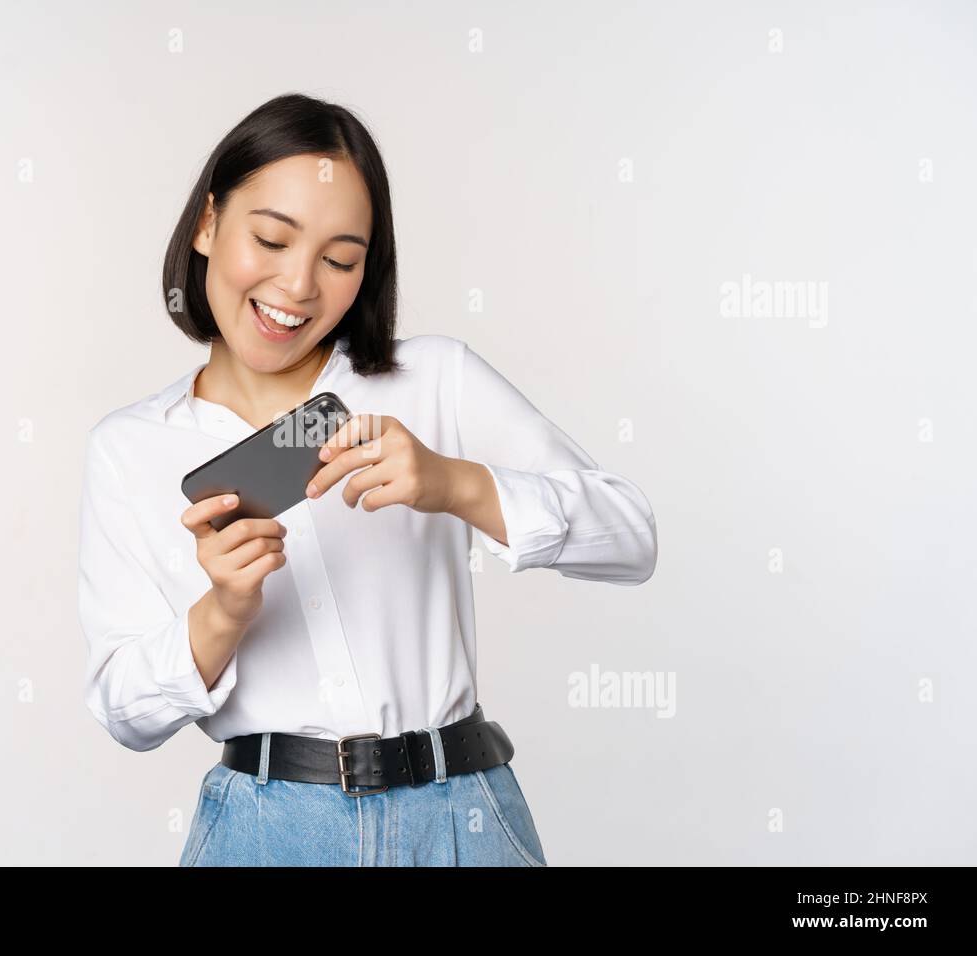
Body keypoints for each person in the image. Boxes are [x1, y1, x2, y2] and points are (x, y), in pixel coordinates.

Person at [77, 92, 658, 866]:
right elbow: (124, 713)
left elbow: (631, 539)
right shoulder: (131, 448)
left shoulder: (434, 380)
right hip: (265, 832)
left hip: (461, 817)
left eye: (339, 259)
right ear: (208, 224)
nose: (297, 286)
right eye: (272, 239)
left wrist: (456, 484)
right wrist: (224, 611)